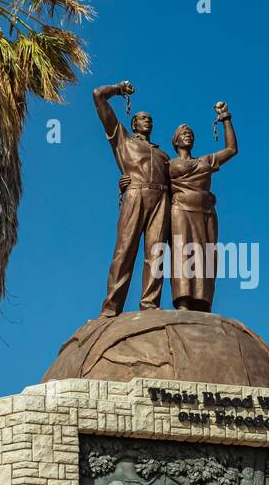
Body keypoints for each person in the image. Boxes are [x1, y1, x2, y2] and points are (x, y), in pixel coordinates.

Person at [93, 81, 170, 317]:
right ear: (133, 123)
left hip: (162, 198)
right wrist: (118, 89)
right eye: (142, 118)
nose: (148, 121)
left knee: (156, 253)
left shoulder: (163, 154)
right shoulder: (123, 139)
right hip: (135, 192)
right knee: (125, 249)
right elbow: (98, 96)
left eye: (150, 119)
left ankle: (149, 304)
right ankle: (111, 307)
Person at [165, 101, 239, 312]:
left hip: (206, 213)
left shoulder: (205, 161)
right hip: (180, 210)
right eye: (183, 133)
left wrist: (225, 118)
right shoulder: (168, 164)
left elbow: (232, 149)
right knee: (182, 253)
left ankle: (203, 302)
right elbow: (148, 177)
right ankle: (183, 301)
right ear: (176, 140)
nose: (188, 135)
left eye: (190, 133)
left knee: (206, 256)